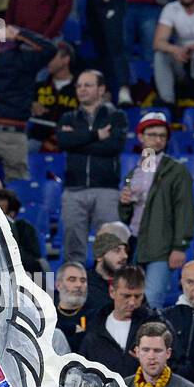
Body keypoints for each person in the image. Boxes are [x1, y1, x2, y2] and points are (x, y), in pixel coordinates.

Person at [119, 111, 194, 306]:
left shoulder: (176, 170)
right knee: (133, 301)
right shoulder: (134, 171)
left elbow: (184, 209)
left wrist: (179, 246)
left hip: (161, 245)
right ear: (140, 137)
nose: (158, 140)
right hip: (136, 243)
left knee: (152, 299)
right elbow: (126, 216)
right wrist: (124, 203)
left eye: (162, 135)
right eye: (152, 134)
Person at [0, 24, 57, 183]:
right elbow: (49, 48)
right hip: (14, 132)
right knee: (18, 184)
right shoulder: (25, 59)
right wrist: (19, 34)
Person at [57, 70, 128, 267]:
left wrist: (77, 140)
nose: (82, 89)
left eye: (87, 85)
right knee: (73, 248)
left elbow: (113, 146)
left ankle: (108, 289)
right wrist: (96, 135)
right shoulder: (68, 117)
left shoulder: (116, 116)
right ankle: (73, 286)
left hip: (106, 189)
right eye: (79, 86)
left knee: (110, 246)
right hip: (73, 190)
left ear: (101, 89)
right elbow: (63, 141)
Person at [80, 265, 162, 378]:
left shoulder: (156, 326)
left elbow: (176, 366)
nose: (132, 302)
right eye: (126, 296)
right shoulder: (94, 328)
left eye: (137, 296)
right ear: (112, 291)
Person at [54, 261, 90, 352]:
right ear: (58, 285)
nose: (79, 285)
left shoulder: (94, 314)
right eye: (72, 279)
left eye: (83, 280)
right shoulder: (48, 314)